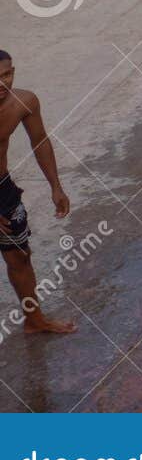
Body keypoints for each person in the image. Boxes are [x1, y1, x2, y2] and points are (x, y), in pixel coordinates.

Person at [0, 51, 74, 335]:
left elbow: (40, 140)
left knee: (19, 256)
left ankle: (34, 320)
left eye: (6, 74)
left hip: (3, 189)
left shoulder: (24, 101)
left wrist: (55, 186)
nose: (2, 83)